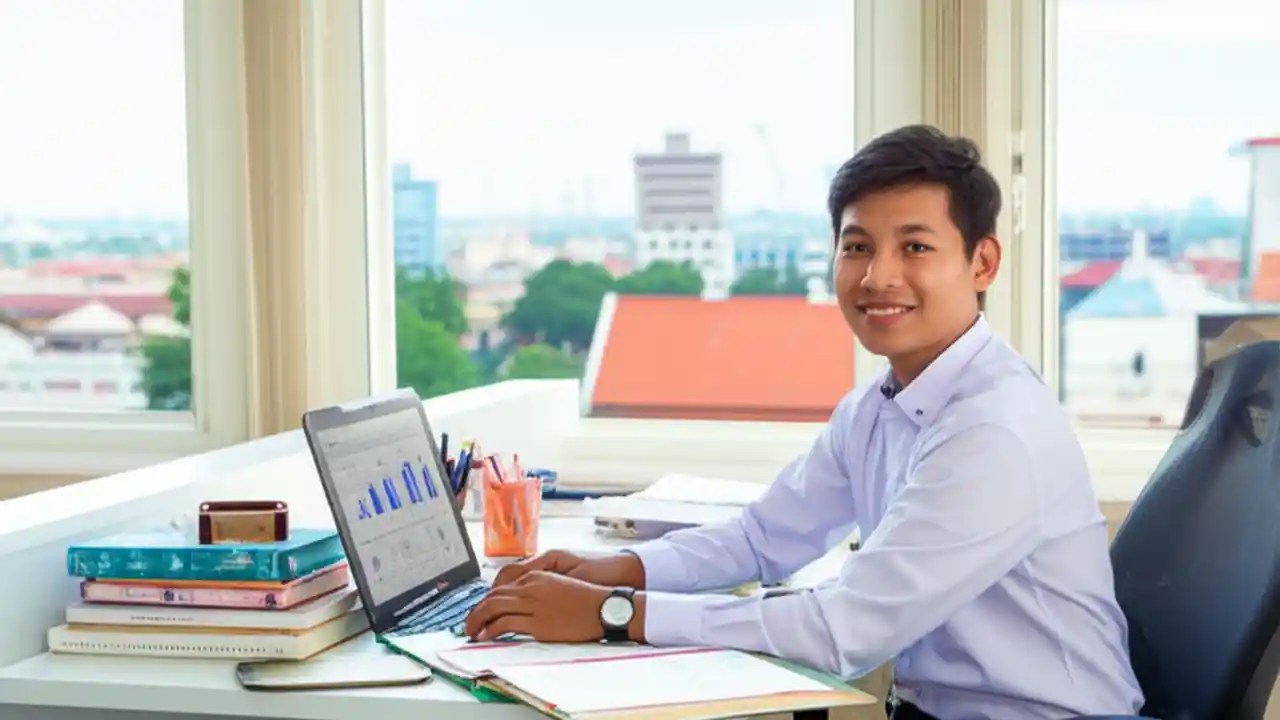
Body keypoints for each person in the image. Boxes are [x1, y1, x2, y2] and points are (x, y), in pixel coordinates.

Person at [464, 124, 1145, 720]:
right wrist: (618, 569)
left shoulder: (993, 430)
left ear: (982, 262)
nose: (878, 277)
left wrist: (612, 614)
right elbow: (764, 537)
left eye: (914, 248)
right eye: (857, 247)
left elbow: (845, 631)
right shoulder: (883, 403)